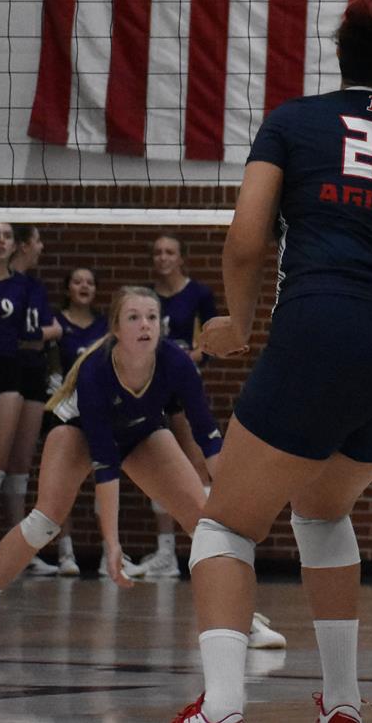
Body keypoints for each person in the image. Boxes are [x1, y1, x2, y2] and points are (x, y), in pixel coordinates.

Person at [172, 0, 372, 723]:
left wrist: (237, 324)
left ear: (341, 61)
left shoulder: (293, 122)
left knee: (225, 523)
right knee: (321, 504)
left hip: (325, 332)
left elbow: (248, 238)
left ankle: (220, 704)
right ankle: (342, 701)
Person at [0, 285, 279, 648]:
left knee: (206, 523)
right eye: (134, 318)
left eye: (152, 317)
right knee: (45, 520)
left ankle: (241, 620)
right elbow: (106, 465)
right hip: (76, 434)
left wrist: (230, 500)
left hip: (141, 433)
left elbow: (208, 437)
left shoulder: (177, 363)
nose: (145, 325)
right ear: (116, 329)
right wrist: (113, 545)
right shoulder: (95, 371)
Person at [133, 232, 219, 580]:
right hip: (151, 388)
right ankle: (166, 553)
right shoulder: (145, 298)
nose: (163, 258)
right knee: (159, 469)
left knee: (197, 465)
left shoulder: (199, 294)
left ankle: (210, 548)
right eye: (157, 252)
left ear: (181, 258)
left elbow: (211, 347)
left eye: (169, 252)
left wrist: (182, 359)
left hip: (182, 385)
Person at [3, 226, 62, 573]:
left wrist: (40, 335)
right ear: (24, 245)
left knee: (20, 465)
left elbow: (38, 334)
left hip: (32, 376)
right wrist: (44, 333)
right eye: (38, 240)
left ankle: (17, 549)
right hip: (3, 371)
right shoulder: (0, 284)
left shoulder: (35, 288)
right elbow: (23, 335)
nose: (41, 247)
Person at [45, 265, 110, 577]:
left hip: (98, 412)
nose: (84, 286)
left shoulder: (106, 326)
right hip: (65, 412)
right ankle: (65, 552)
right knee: (62, 484)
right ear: (67, 287)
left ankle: (109, 552)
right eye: (77, 281)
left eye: (89, 282)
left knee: (105, 480)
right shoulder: (56, 325)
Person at [0, 221, 35, 560]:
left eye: (6, 236)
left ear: (15, 244)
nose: (1, 241)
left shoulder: (24, 286)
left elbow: (33, 331)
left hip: (7, 371)